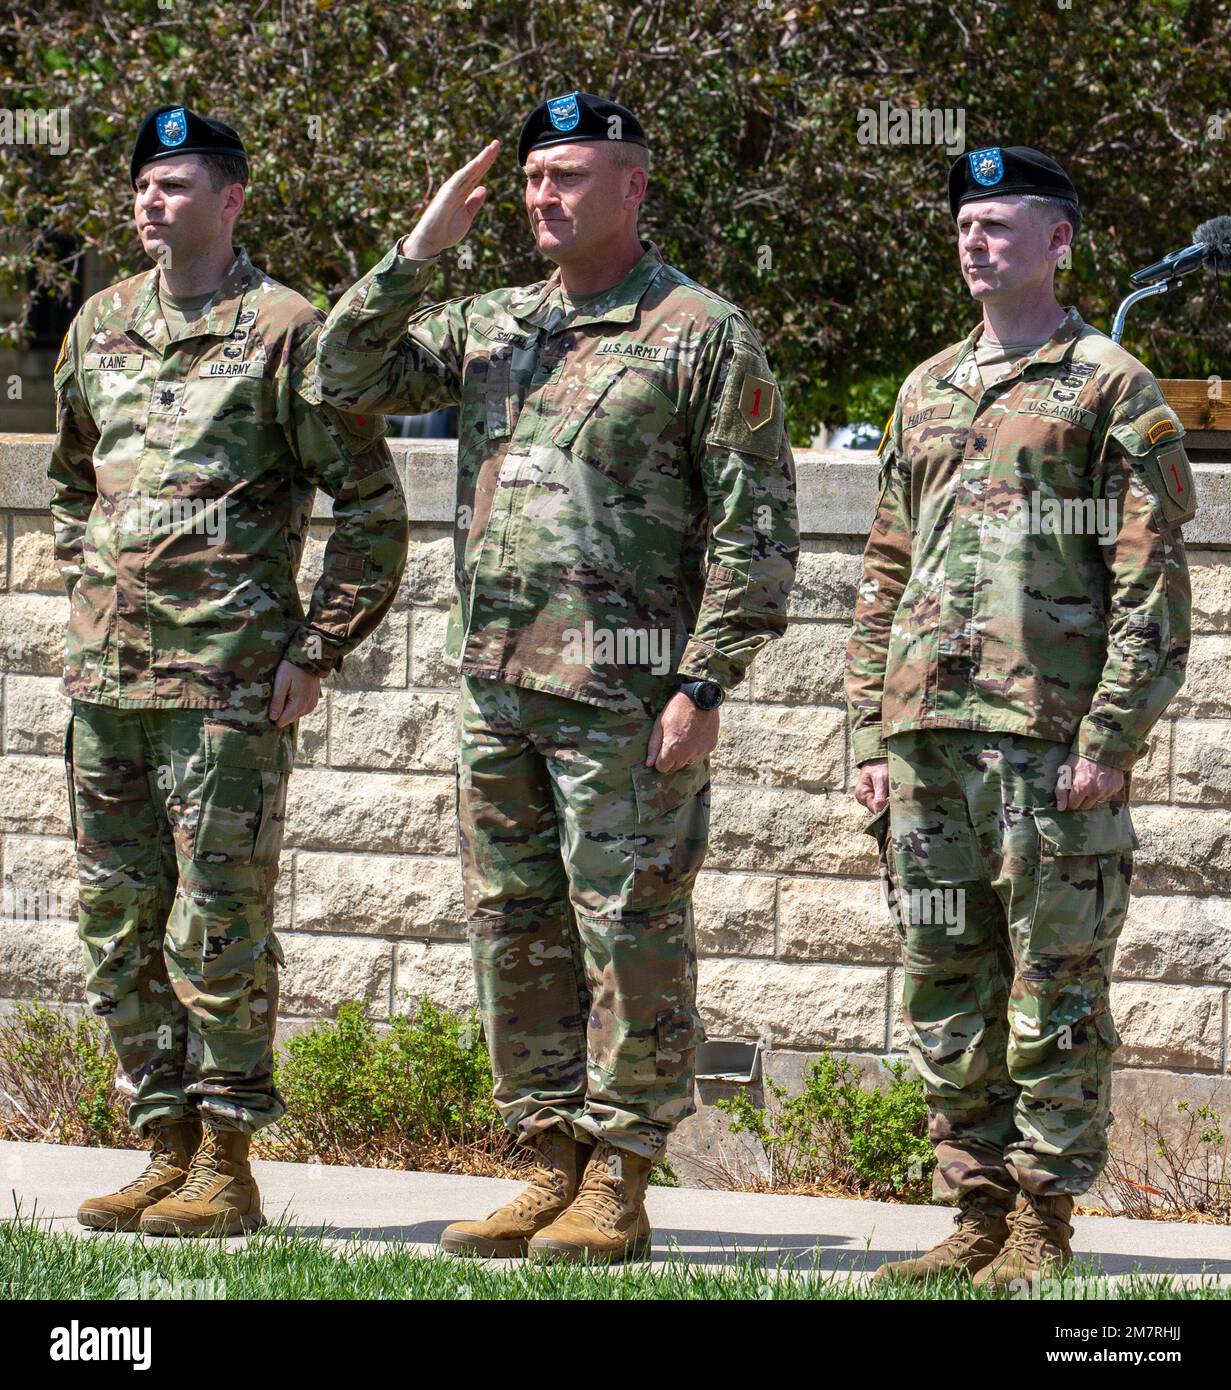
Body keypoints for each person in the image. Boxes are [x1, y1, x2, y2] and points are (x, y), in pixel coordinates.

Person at [316, 91, 799, 1262]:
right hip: (497, 688)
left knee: (631, 929)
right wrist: (419, 248)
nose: (544, 194)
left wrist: (706, 683)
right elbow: (342, 371)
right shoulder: (492, 323)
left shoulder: (698, 332)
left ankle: (621, 1174)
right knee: (514, 930)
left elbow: (758, 531)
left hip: (626, 702)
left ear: (633, 188)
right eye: (534, 176)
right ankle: (545, 1159)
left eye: (571, 175)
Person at [52, 104, 408, 1237]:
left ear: (231, 199)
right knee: (117, 920)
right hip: (106, 687)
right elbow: (73, 478)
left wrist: (318, 645)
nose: (150, 203)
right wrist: (89, 570)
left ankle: (227, 1161)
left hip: (226, 692)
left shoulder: (288, 331)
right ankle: (162, 1142)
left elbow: (369, 503)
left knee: (219, 928)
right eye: (143, 187)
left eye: (175, 186)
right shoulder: (97, 324)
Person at [846, 146, 1195, 1288]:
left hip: (1045, 745)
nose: (974, 241)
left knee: (1055, 981)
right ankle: (975, 1206)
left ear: (1058, 242)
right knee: (943, 971)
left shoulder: (1108, 385)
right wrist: (865, 733)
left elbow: (1148, 581)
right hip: (924, 741)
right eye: (963, 225)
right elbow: (884, 565)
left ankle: (1044, 1219)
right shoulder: (922, 386)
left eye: (1000, 224)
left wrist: (1108, 739)